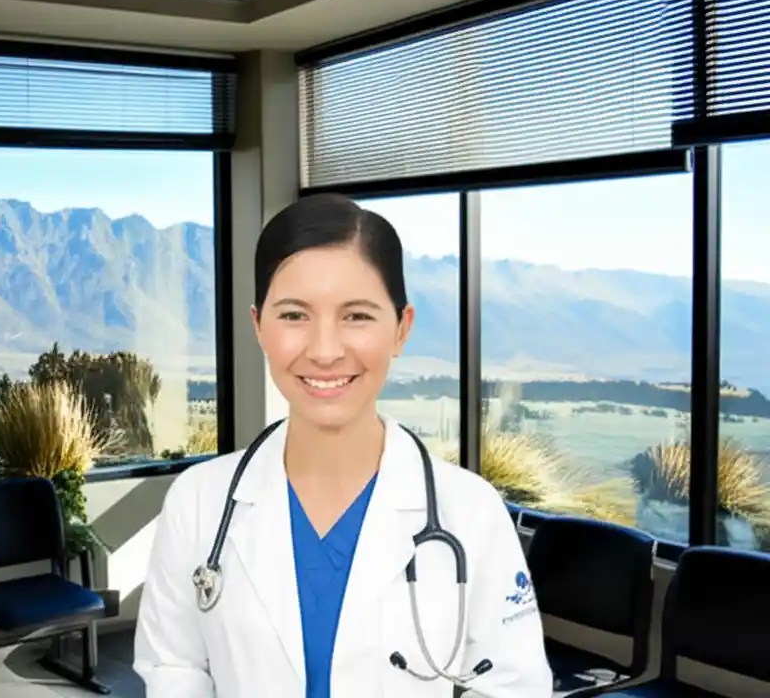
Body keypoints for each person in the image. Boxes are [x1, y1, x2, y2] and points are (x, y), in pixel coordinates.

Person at [133, 194, 552, 697]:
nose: (325, 350)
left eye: (356, 316)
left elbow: (512, 687)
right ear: (258, 326)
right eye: (293, 315)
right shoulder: (198, 501)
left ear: (402, 328)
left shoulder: (471, 512)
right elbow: (173, 670)